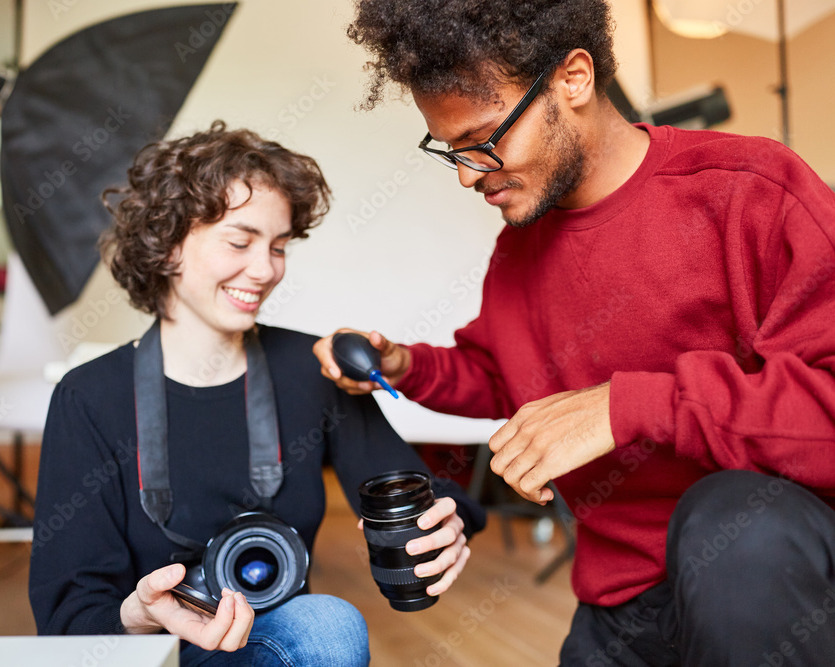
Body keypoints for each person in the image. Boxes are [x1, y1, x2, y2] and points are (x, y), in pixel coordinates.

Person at [312, 1, 835, 665]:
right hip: (624, 603)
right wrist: (405, 364)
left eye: (484, 139)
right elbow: (506, 374)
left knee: (736, 518)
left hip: (773, 572)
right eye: (453, 153)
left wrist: (629, 405)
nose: (471, 175)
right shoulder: (519, 248)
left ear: (573, 79)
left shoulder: (753, 193)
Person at [28, 121, 485, 666]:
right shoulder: (90, 397)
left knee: (325, 626)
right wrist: (141, 614)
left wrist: (445, 519)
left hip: (282, 645)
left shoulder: (310, 368)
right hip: (154, 655)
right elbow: (68, 621)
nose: (266, 270)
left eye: (279, 246)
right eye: (240, 241)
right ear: (168, 244)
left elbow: (412, 490)